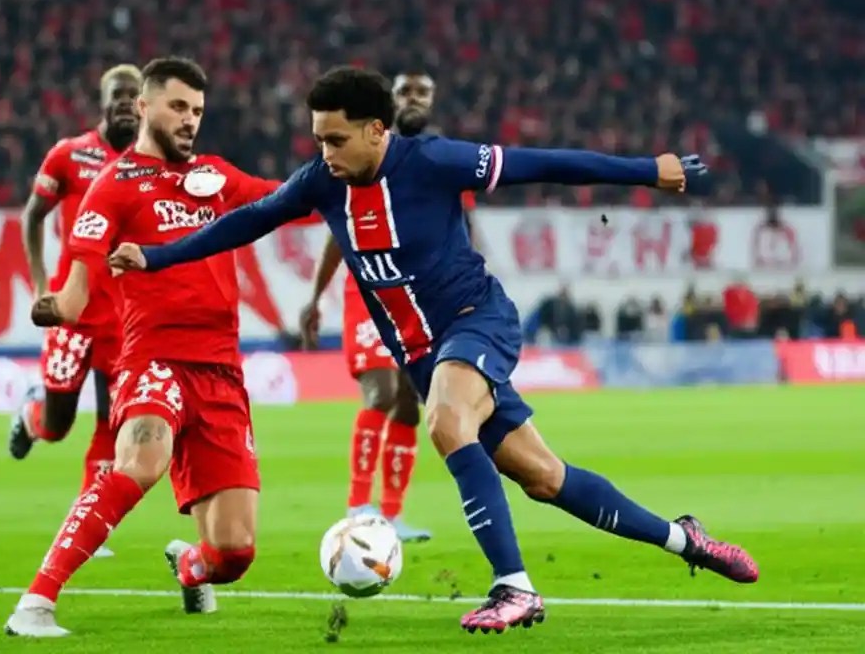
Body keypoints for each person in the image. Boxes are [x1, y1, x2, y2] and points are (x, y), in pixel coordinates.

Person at [108, 66, 759, 634]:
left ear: (375, 131)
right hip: (424, 355)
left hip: (478, 321)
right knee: (544, 477)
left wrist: (650, 171)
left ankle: (516, 587)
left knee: (447, 423)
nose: (324, 152)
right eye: (317, 139)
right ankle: (685, 539)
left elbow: (545, 164)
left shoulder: (435, 161)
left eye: (336, 138)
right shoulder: (322, 182)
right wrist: (158, 257)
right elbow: (247, 221)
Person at [5, 57, 297, 638]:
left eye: (197, 111)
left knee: (235, 552)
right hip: (153, 360)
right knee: (140, 461)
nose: (190, 120)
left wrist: (347, 175)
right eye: (178, 107)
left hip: (221, 374)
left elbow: (284, 201)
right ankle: (36, 602)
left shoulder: (216, 177)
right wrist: (55, 306)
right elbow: (79, 284)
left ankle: (191, 568)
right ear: (144, 106)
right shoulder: (112, 186)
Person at [298, 71, 439, 541]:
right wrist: (316, 297)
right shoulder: (360, 156)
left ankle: (393, 516)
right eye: (405, 92)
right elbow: (338, 234)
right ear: (388, 104)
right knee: (379, 390)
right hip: (370, 293)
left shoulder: (439, 161)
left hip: (416, 296)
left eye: (422, 92)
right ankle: (359, 506)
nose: (414, 99)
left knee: (407, 405)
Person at [9, 64, 142, 558]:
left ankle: (90, 515)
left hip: (124, 320)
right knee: (60, 424)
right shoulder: (70, 155)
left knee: (112, 421)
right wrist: (44, 284)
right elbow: (33, 217)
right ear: (103, 101)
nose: (127, 102)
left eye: (135, 95)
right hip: (73, 312)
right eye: (119, 95)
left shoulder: (151, 162)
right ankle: (32, 414)